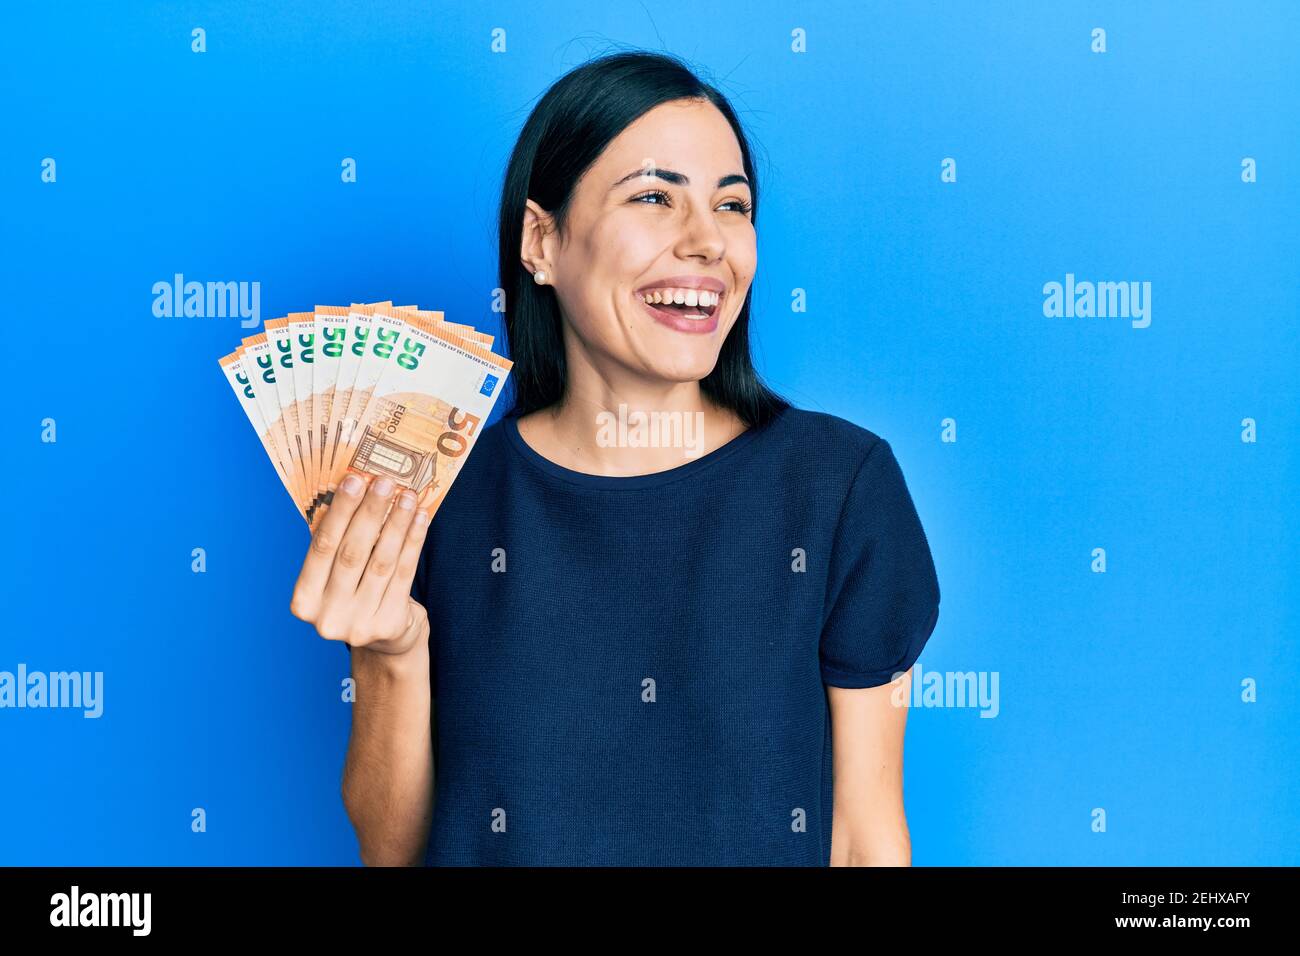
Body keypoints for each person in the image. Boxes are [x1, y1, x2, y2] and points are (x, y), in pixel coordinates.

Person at [290, 50, 941, 866]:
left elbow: (863, 839)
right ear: (542, 240)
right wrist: (388, 652)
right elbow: (397, 851)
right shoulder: (432, 497)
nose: (707, 242)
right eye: (654, 197)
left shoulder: (839, 489)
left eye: (732, 205)